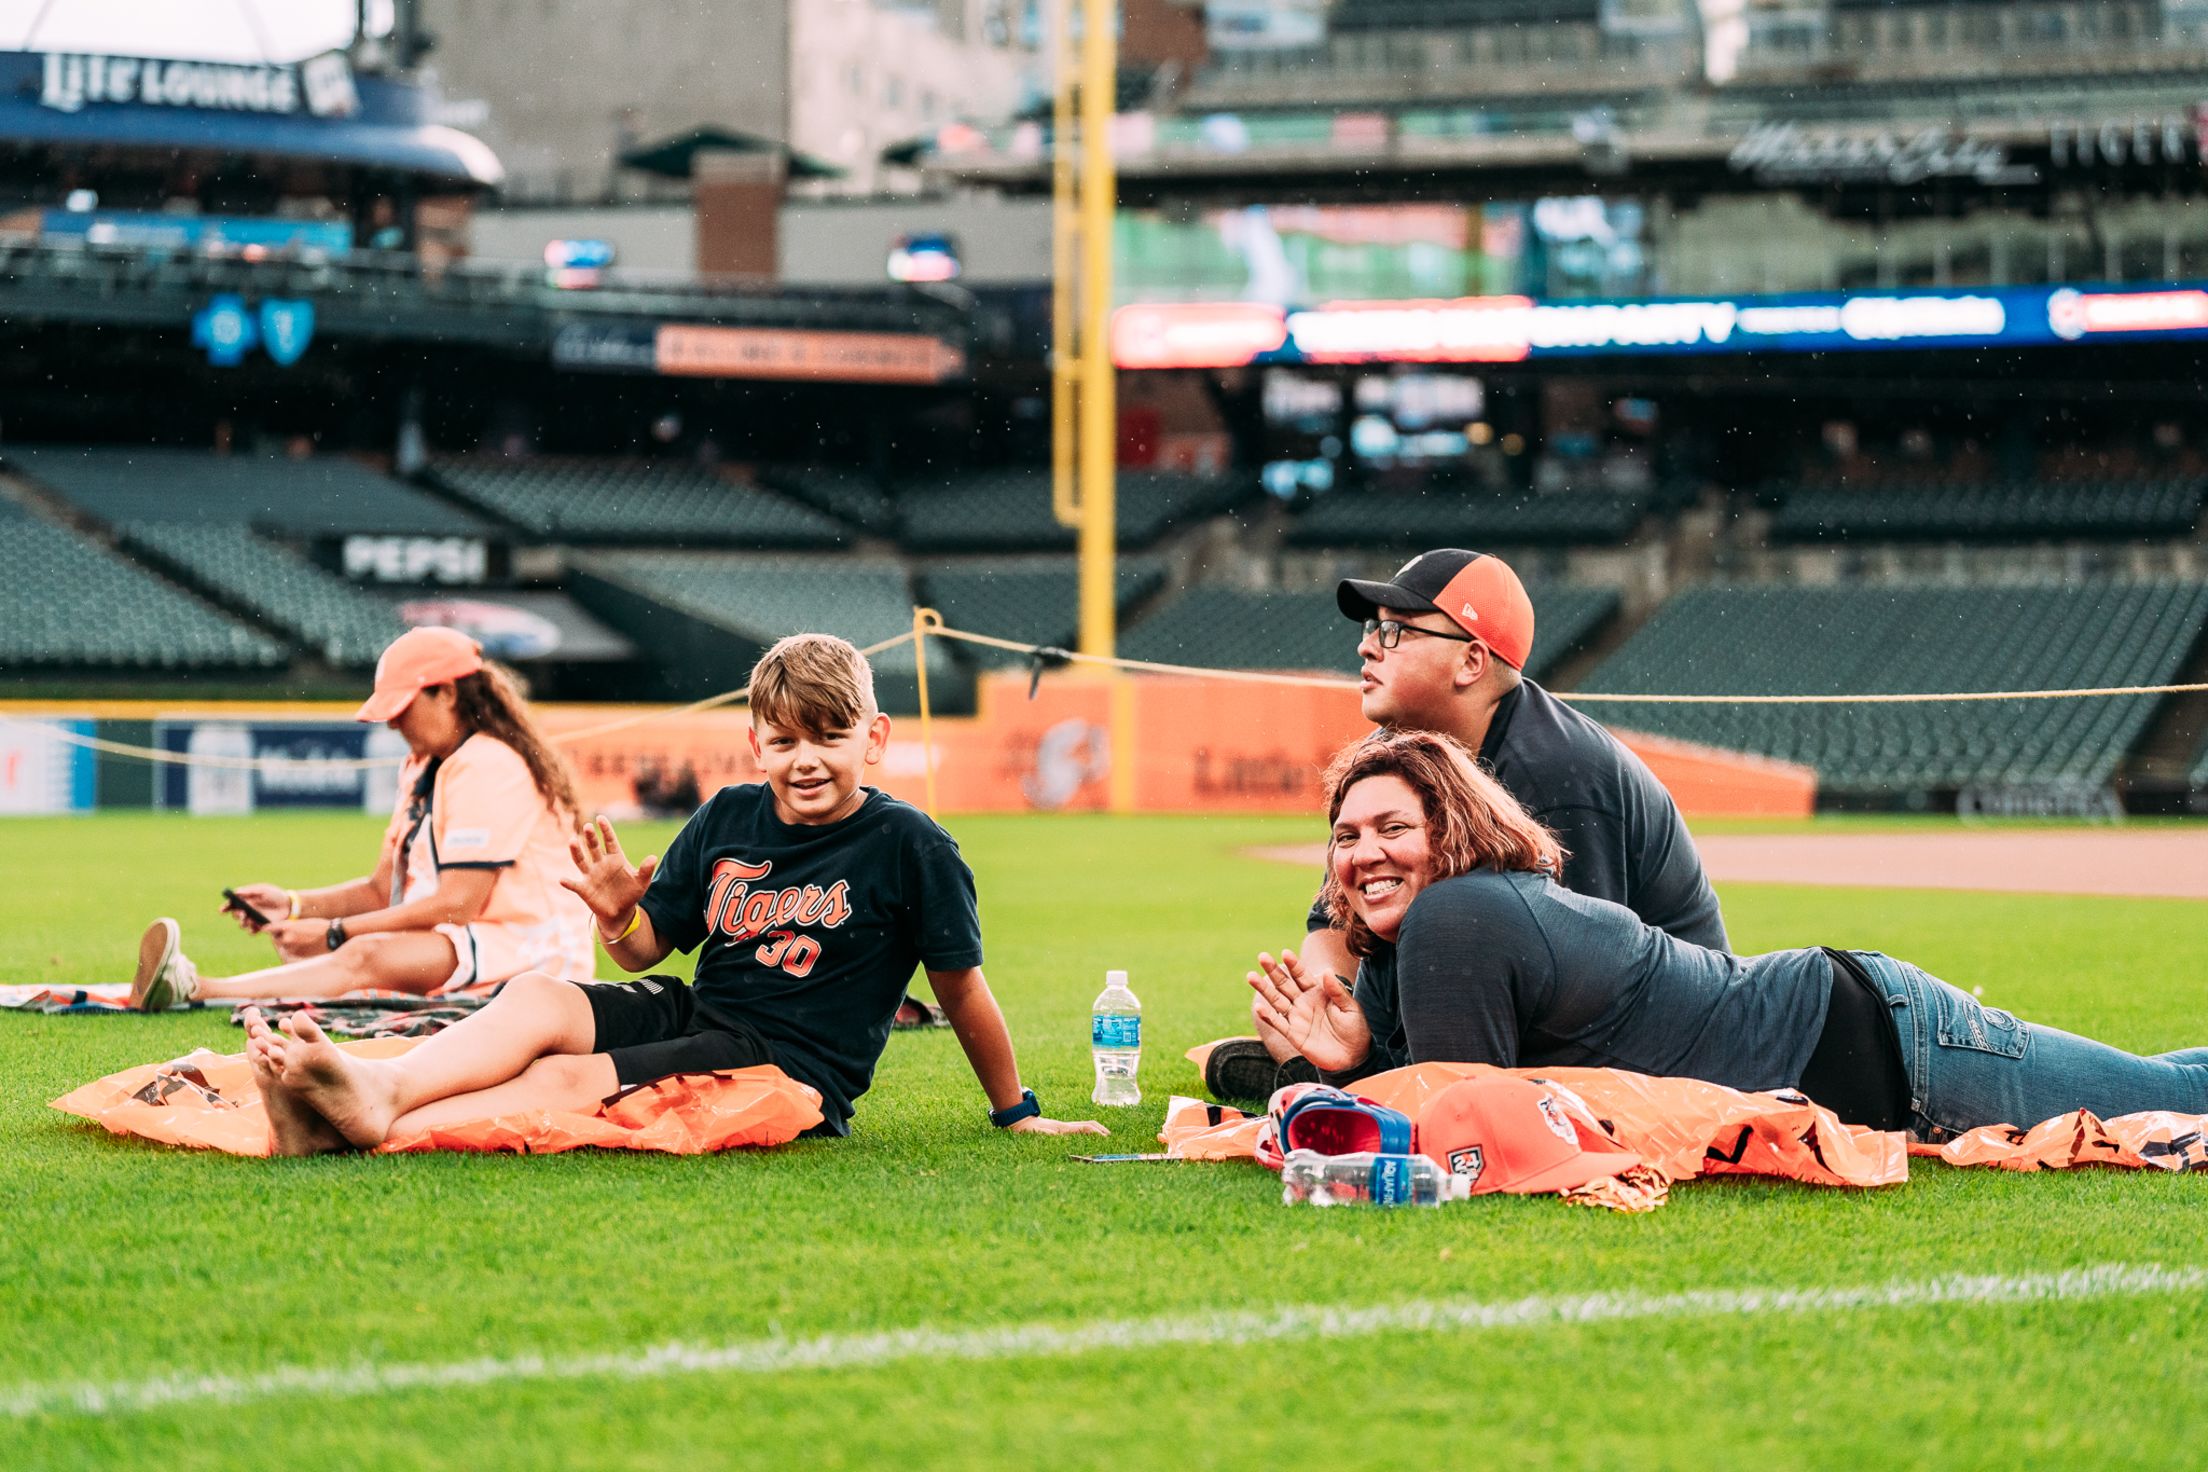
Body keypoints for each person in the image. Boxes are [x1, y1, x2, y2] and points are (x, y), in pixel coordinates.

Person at [240, 632, 1105, 1154]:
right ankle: (379, 1085)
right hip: (702, 1014)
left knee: (573, 1078)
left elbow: (962, 988)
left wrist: (1016, 1113)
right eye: (785, 740)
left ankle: (376, 1112)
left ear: (873, 737)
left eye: (830, 738)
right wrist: (619, 908)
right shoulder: (729, 814)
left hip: (786, 1071)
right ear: (756, 744)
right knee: (539, 996)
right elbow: (646, 950)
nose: (807, 759)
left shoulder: (912, 845)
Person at [1248, 731, 2208, 1141]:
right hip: (1850, 1037)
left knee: (2168, 1104)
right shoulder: (1404, 948)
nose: (1363, 854)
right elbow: (1431, 1102)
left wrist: (1313, 1082)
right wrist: (1347, 1060)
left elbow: (1465, 1131)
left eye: (1391, 830)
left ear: (1449, 832)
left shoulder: (1461, 917)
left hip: (1876, 1043)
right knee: (2159, 1084)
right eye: (1343, 835)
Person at [1212, 548, 1727, 1101]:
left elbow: (1581, 992)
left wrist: (1366, 1063)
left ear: (1471, 662)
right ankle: (1352, 1071)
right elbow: (1338, 926)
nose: (1366, 646)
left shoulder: (1559, 772)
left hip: (1663, 1043)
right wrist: (1325, 1006)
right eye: (1372, 628)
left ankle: (1353, 1078)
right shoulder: (1393, 757)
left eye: (1397, 632)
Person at [130, 626, 596, 1009]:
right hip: (475, 942)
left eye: (401, 708)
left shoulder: (489, 764)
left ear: (446, 694)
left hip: (536, 956)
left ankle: (197, 990)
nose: (392, 724)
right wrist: (293, 905)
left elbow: (458, 904)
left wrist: (333, 934)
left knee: (364, 952)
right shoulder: (422, 766)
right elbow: (381, 890)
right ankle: (200, 988)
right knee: (346, 951)